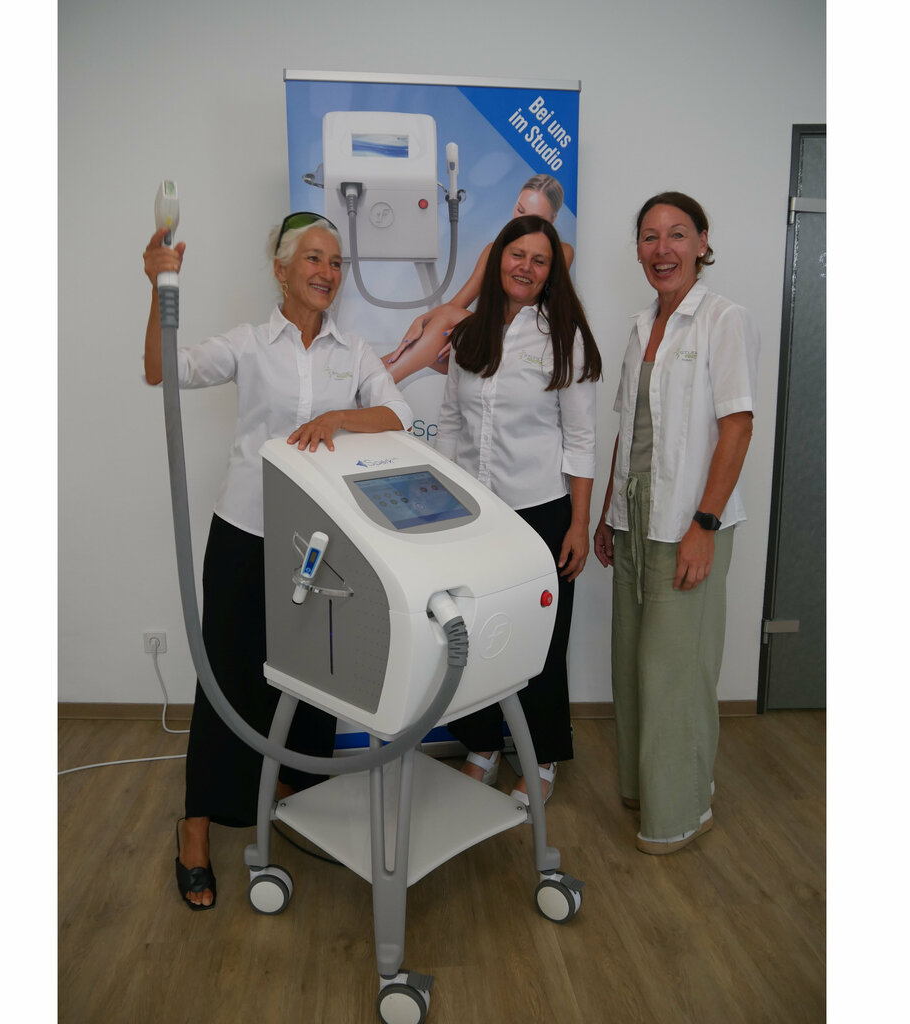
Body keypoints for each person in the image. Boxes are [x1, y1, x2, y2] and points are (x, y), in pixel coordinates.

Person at [142, 212, 413, 908]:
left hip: (320, 543)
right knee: (228, 676)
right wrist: (158, 288)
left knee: (314, 677)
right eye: (314, 259)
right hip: (246, 531)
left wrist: (338, 418)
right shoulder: (249, 343)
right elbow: (162, 371)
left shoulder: (353, 352)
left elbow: (398, 415)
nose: (328, 272)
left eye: (336, 262)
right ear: (282, 269)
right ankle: (197, 825)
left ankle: (295, 794)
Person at [593, 192, 759, 855]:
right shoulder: (642, 327)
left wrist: (704, 525)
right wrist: (608, 513)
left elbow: (737, 427)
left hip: (688, 520)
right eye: (650, 236)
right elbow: (628, 430)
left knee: (676, 674)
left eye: (677, 234)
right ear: (638, 249)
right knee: (634, 666)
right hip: (634, 515)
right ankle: (646, 789)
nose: (662, 249)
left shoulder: (723, 319)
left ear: (702, 242)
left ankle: (683, 811)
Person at [436, 214, 601, 804]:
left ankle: (544, 756)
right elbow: (450, 422)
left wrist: (579, 522)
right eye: (517, 254)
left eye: (539, 259)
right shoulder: (468, 334)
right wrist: (444, 506)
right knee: (475, 635)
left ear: (552, 272)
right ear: (497, 259)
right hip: (474, 516)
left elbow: (580, 439)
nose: (525, 267)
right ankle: (482, 747)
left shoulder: (564, 338)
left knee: (541, 641)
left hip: (540, 513)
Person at [384, 175, 576, 382]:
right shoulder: (494, 250)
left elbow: (534, 310)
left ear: (553, 220)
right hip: (491, 339)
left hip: (529, 343)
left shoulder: (562, 252)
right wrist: (421, 320)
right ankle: (370, 381)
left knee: (439, 330)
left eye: (536, 219)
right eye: (520, 211)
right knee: (432, 337)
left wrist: (468, 329)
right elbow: (455, 305)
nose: (523, 223)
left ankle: (372, 383)